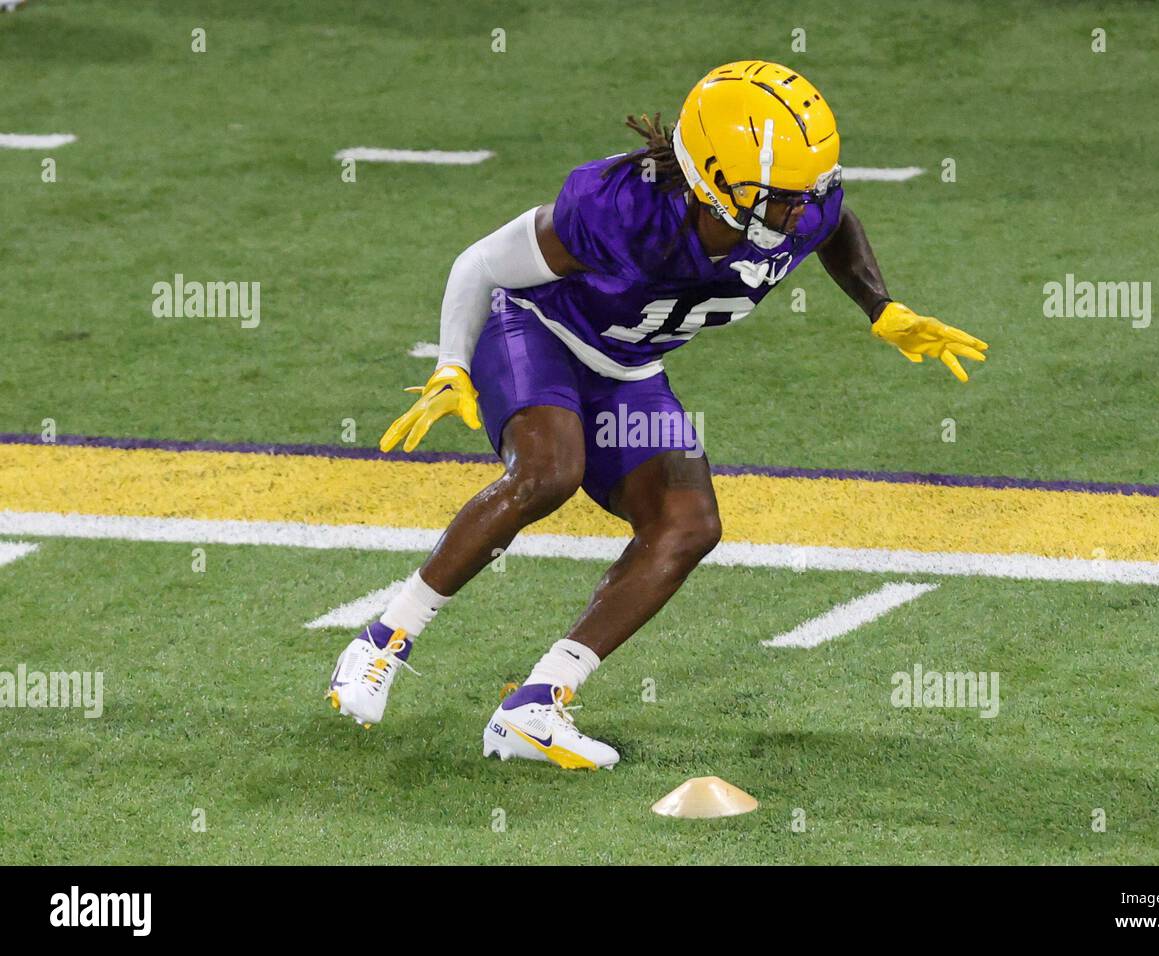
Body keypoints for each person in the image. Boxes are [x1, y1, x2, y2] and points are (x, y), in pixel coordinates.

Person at [326, 60, 988, 769]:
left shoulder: (796, 205)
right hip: (534, 331)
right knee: (550, 472)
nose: (800, 211)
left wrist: (880, 307)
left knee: (689, 524)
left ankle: (536, 704)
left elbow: (834, 224)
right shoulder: (620, 209)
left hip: (627, 367)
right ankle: (382, 641)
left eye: (806, 193)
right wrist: (450, 364)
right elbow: (482, 264)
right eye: (784, 198)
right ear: (714, 182)